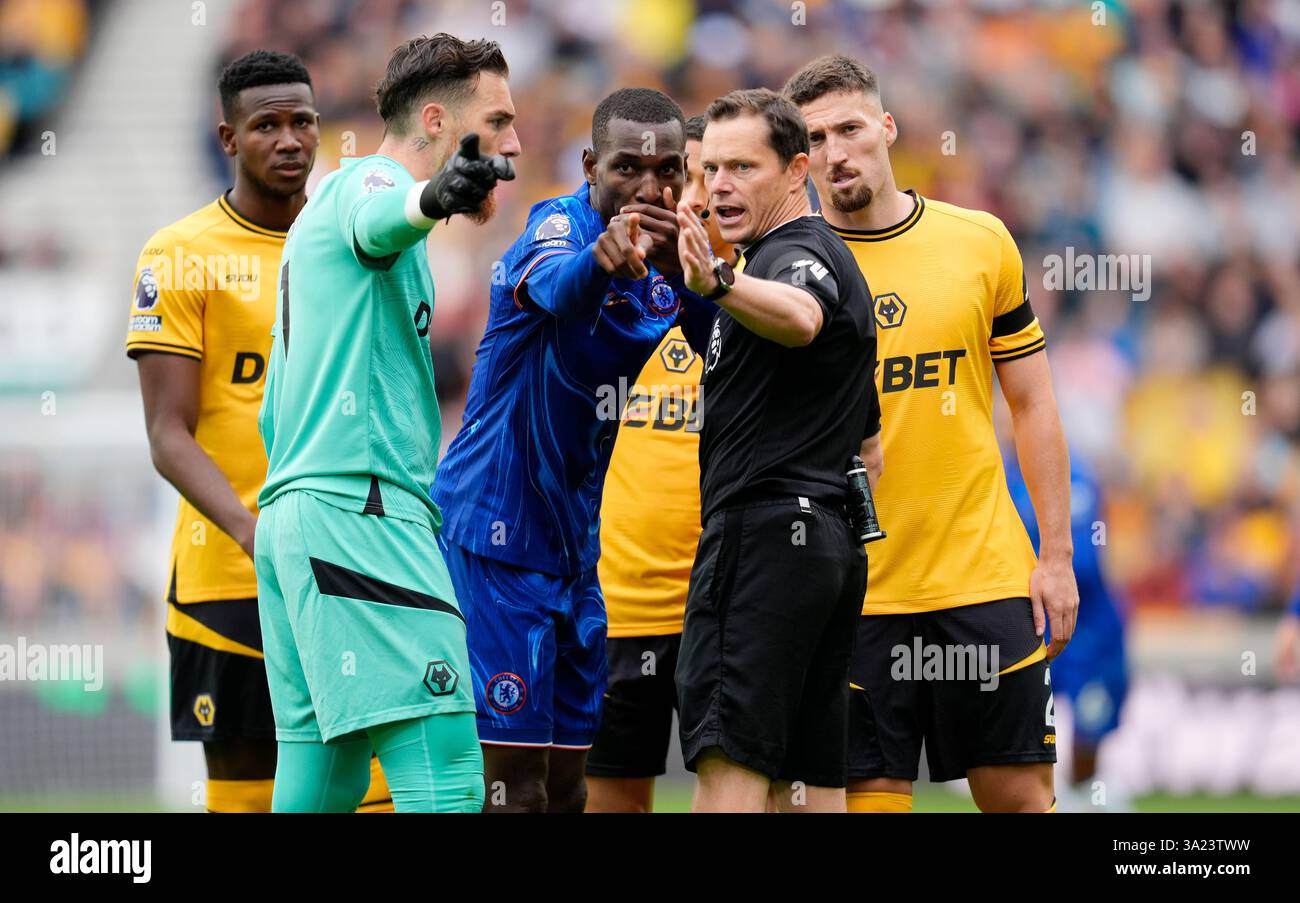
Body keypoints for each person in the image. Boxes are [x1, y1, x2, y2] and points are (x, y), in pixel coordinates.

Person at [786, 54, 1078, 814]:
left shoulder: (980, 242)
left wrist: (1055, 556)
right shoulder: (784, 269)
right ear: (798, 158)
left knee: (1021, 798)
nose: (835, 152)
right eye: (814, 139)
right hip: (853, 591)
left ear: (886, 127)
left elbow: (1034, 404)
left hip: (982, 575)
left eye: (850, 128)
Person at [254, 33, 520, 813]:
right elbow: (381, 219)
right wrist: (431, 198)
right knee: (446, 767)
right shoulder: (370, 182)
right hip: (360, 512)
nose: (512, 142)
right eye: (497, 121)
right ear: (435, 122)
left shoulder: (316, 226)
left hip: (298, 516)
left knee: (327, 774)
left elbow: (273, 409)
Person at [432, 88, 715, 813]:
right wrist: (600, 260)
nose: (648, 187)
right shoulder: (558, 226)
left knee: (568, 787)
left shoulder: (673, 258)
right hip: (495, 538)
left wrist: (696, 277)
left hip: (574, 548)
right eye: (627, 168)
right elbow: (558, 289)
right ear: (591, 166)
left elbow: (726, 342)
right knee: (514, 788)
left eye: (667, 171)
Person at [128, 50, 333, 813]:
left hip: (346, 568)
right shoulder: (180, 254)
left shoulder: (350, 245)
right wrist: (256, 533)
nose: (289, 140)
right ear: (228, 137)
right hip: (231, 577)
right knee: (248, 793)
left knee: (370, 784)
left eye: (302, 122)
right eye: (266, 125)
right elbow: (167, 433)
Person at [673, 88, 881, 813]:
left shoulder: (791, 254)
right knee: (808, 789)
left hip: (764, 542)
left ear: (797, 171)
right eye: (713, 169)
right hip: (824, 548)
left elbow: (801, 316)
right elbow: (871, 447)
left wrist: (720, 281)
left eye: (743, 167)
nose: (720, 186)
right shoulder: (796, 259)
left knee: (730, 766)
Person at [584, 115, 737, 813]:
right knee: (612, 798)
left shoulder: (761, 295)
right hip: (618, 605)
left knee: (747, 792)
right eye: (689, 176)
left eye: (715, 177)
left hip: (729, 607)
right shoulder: (604, 288)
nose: (697, 195)